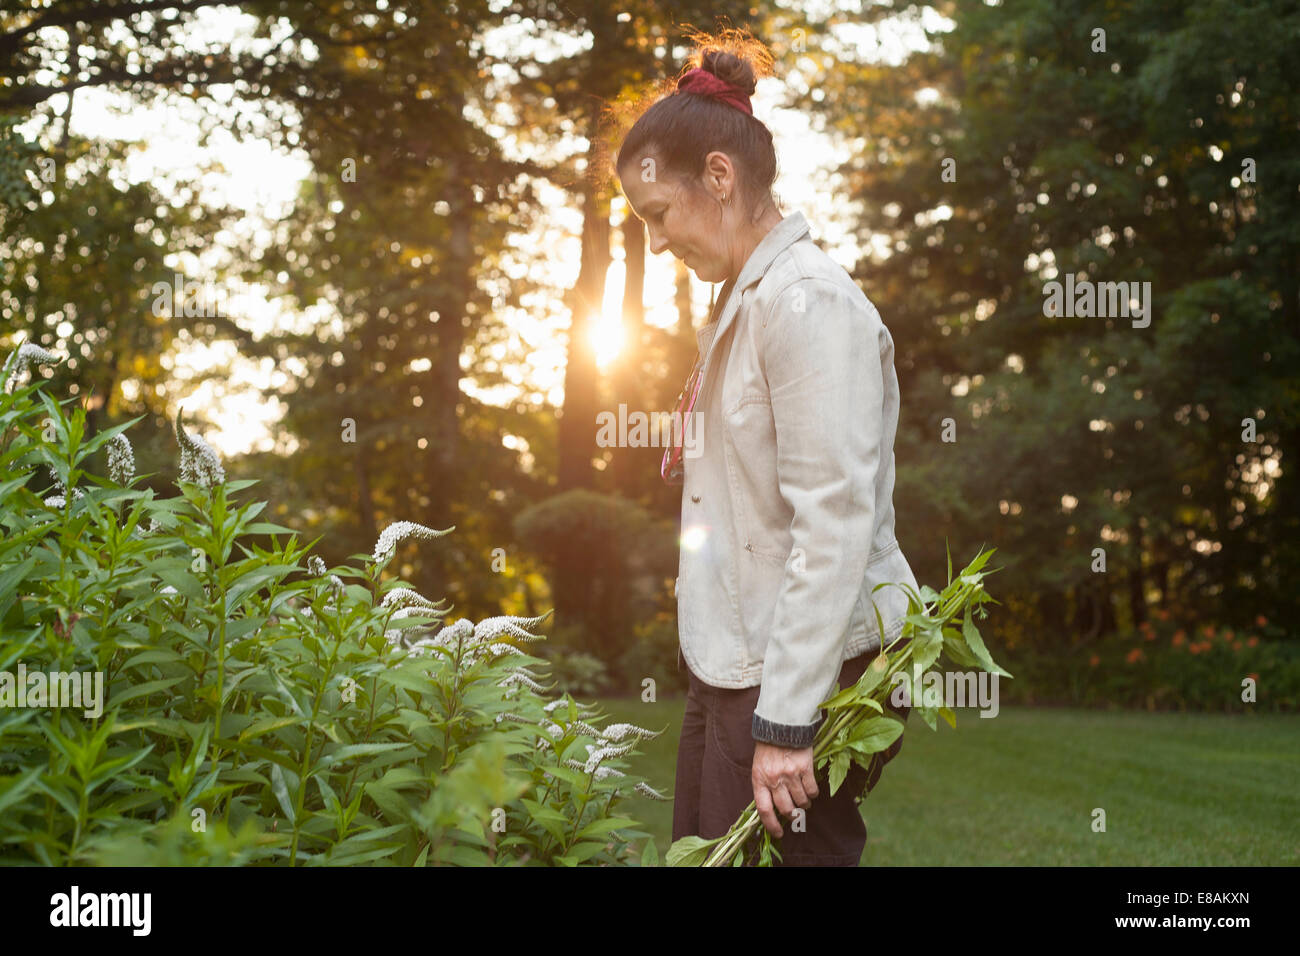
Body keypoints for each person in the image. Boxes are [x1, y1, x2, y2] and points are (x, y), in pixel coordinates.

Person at [614, 28, 921, 866]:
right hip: (732, 662)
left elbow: (834, 522)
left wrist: (787, 723)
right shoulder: (741, 306)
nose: (657, 241)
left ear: (719, 176)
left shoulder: (808, 305)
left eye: (657, 215)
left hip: (798, 680)